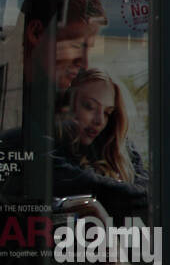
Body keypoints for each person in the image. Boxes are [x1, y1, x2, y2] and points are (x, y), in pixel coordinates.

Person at [53, 67, 149, 222]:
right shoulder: (52, 149)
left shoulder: (120, 150)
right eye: (90, 107)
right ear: (69, 104)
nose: (99, 121)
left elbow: (146, 195)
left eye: (107, 112)